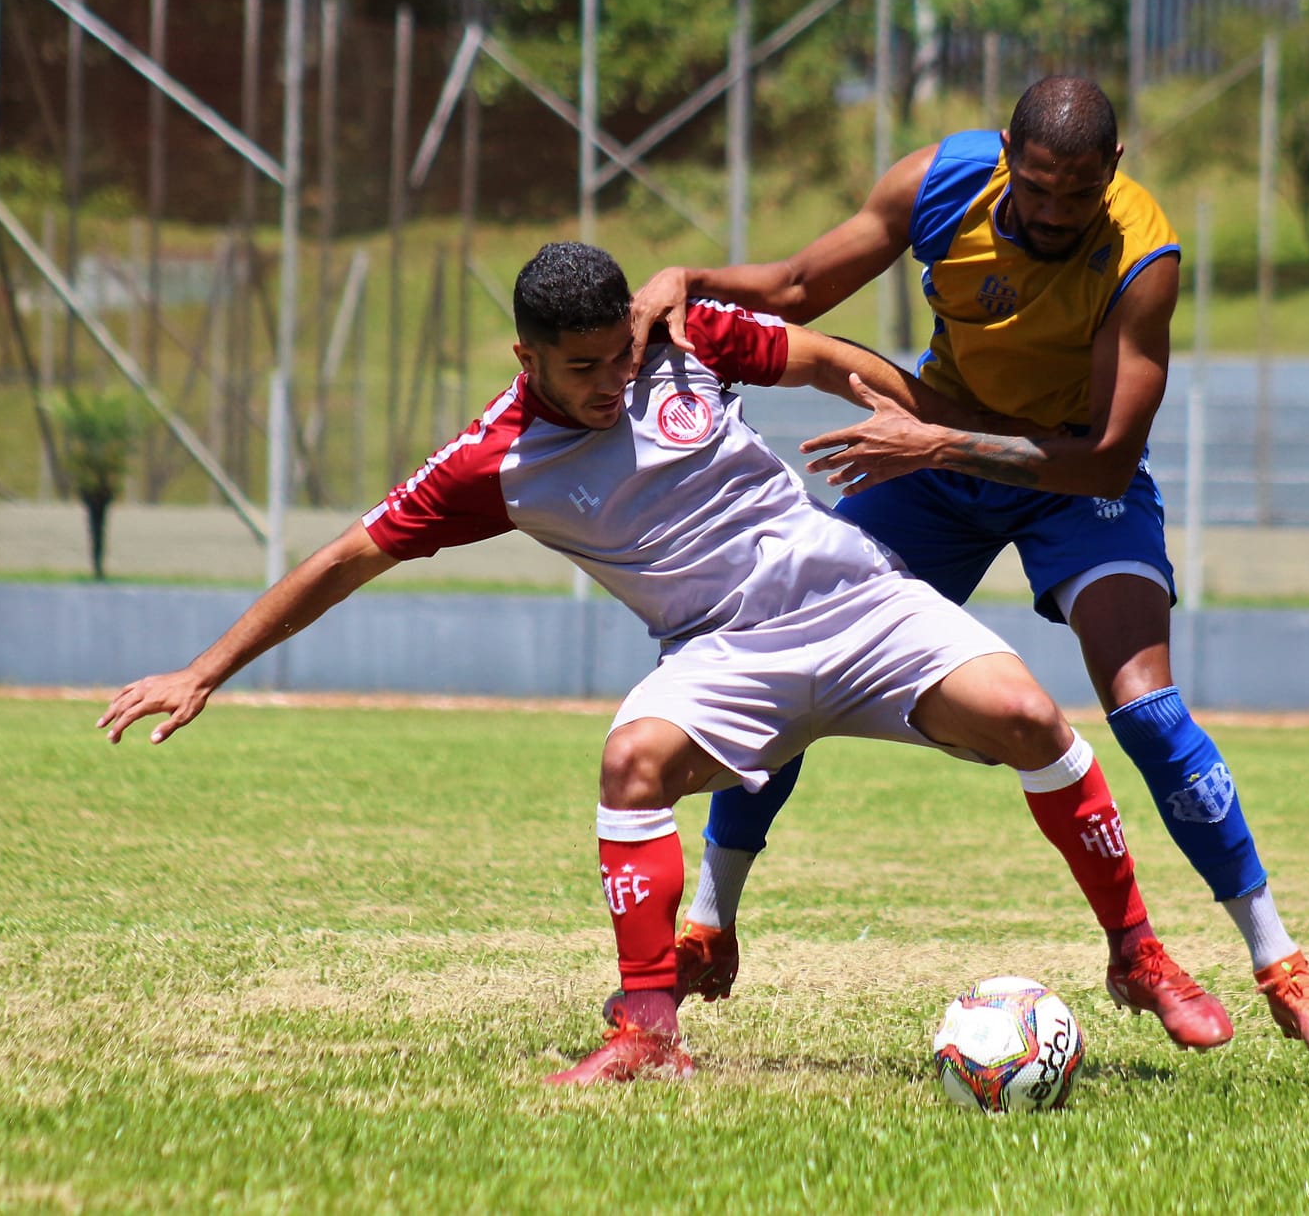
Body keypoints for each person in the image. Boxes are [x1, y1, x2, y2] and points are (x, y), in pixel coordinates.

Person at [97, 240, 1231, 1085]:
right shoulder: (495, 464)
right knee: (631, 757)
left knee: (1032, 717)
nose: (607, 381)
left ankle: (1136, 955)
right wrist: (206, 668)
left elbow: (823, 355)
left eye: (614, 355)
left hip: (854, 602)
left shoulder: (679, 343)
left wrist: (913, 419)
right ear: (523, 356)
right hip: (723, 657)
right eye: (579, 367)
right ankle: (646, 1029)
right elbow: (349, 555)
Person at [627, 76, 1309, 1064]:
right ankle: (709, 926)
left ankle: (1279, 966)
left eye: (1078, 192)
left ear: (1110, 174)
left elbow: (1106, 456)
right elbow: (800, 288)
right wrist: (686, 275)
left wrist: (938, 444)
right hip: (934, 456)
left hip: (1065, 473)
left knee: (1145, 706)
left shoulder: (1139, 256)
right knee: (793, 647)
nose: (1056, 212)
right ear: (1005, 159)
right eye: (1035, 187)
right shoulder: (937, 184)